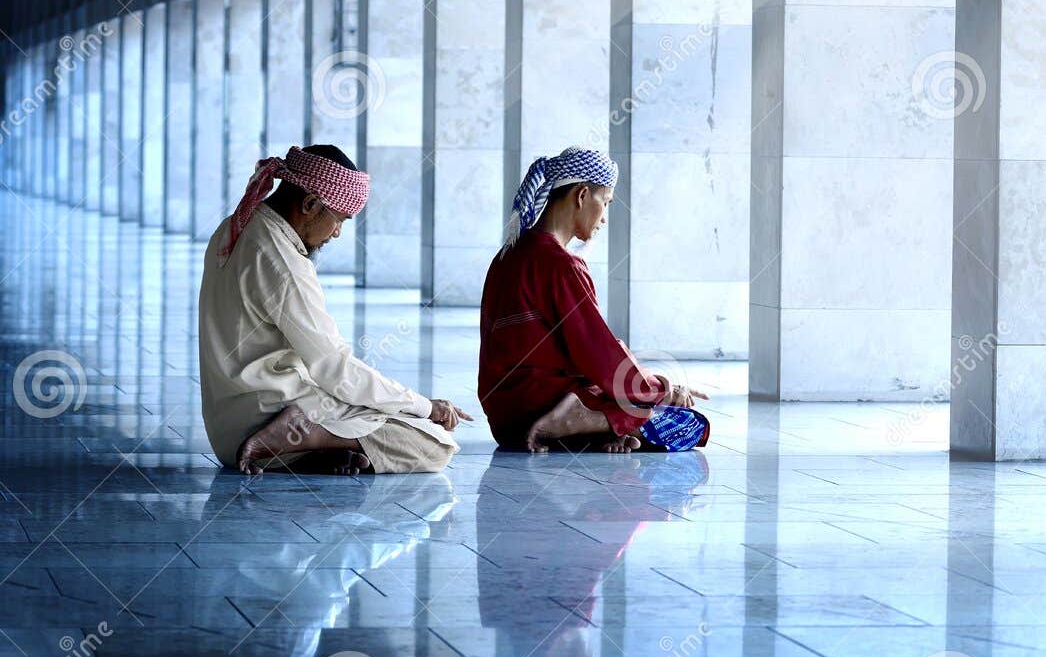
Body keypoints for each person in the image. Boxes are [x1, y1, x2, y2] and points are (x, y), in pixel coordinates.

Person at [197, 144, 472, 475]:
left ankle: (326, 444)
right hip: (267, 418)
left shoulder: (236, 225)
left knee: (380, 413)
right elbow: (335, 369)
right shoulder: (283, 262)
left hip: (227, 428)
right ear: (310, 204)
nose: (338, 233)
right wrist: (426, 407)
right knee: (433, 443)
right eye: (340, 219)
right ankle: (306, 435)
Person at [478, 146, 710, 453]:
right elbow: (599, 356)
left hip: (505, 416)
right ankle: (578, 422)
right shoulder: (561, 265)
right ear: (582, 195)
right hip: (545, 403)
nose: (604, 218)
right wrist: (660, 391)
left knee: (631, 403)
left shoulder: (506, 256)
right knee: (689, 423)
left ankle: (593, 428)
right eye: (607, 202)